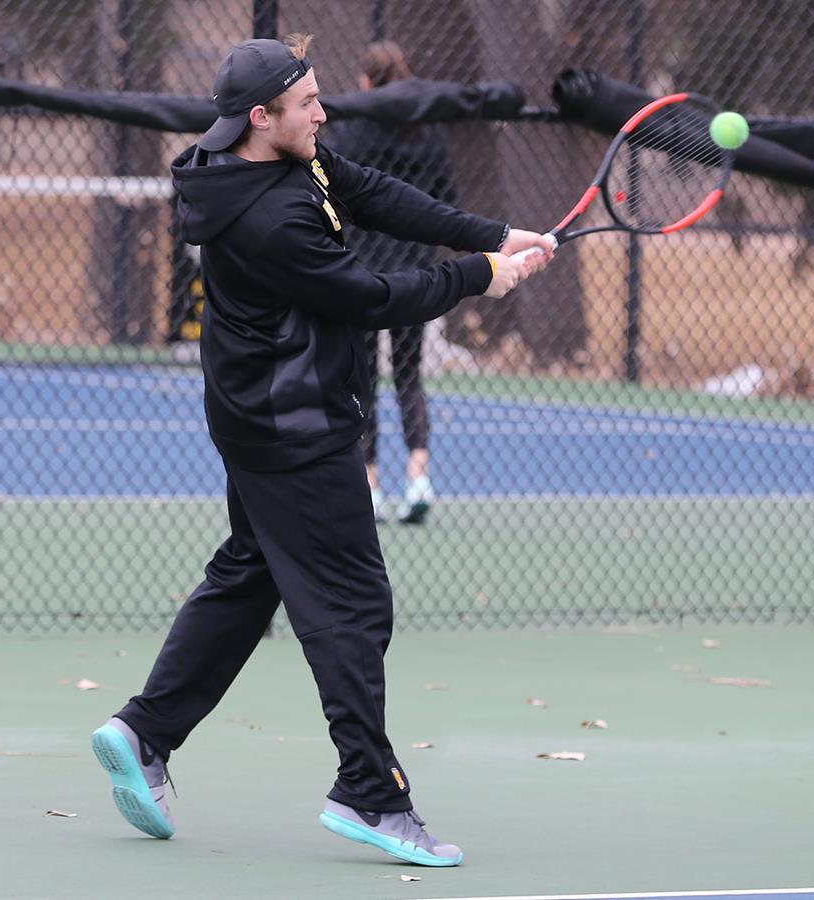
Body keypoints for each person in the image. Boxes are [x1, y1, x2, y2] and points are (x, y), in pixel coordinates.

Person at [90, 33, 552, 868]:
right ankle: (370, 792)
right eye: (308, 104)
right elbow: (368, 295)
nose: (324, 113)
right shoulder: (270, 215)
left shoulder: (267, 161)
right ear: (261, 118)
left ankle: (143, 731)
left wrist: (498, 233)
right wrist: (478, 275)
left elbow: (373, 192)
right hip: (293, 427)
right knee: (351, 604)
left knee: (248, 575)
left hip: (259, 415)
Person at [322, 41, 452, 525]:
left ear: (366, 84)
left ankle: (370, 484)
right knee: (408, 374)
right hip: (416, 273)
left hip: (361, 274)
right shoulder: (430, 134)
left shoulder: (348, 132)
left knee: (361, 379)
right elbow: (445, 201)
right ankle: (419, 477)